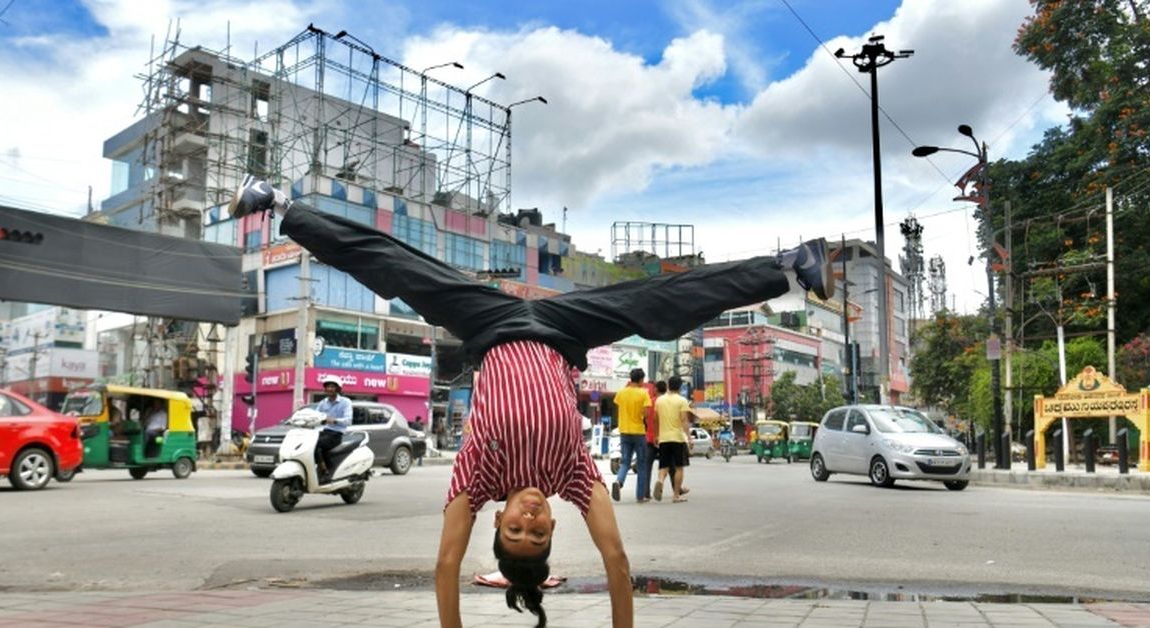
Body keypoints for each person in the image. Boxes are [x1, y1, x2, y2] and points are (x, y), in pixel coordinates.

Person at [228, 174, 834, 628]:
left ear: (495, 519)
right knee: (656, 307)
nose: (528, 519)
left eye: (514, 529)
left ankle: (279, 205)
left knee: (398, 267)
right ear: (551, 529)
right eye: (537, 533)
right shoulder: (573, 478)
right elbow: (618, 560)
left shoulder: (479, 476)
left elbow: (445, 568)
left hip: (488, 321)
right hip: (563, 328)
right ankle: (789, 267)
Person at [610, 368, 653, 503]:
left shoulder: (621, 393)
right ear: (641, 380)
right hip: (638, 432)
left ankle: (619, 481)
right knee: (641, 464)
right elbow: (646, 413)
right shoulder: (643, 393)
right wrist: (640, 415)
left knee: (625, 461)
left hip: (624, 431)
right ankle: (640, 496)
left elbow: (617, 407)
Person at [654, 376, 692, 503]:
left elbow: (656, 419)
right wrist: (689, 438)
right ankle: (676, 495)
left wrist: (656, 435)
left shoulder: (659, 400)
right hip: (678, 438)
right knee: (679, 467)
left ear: (668, 385)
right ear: (680, 387)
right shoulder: (682, 401)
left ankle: (660, 481)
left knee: (664, 466)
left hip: (663, 439)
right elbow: (684, 420)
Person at [314, 375, 353, 479]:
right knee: (307, 444)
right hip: (323, 432)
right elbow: (315, 416)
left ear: (338, 388)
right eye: (327, 387)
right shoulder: (323, 403)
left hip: (336, 434)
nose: (329, 389)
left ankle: (326, 470)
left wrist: (334, 420)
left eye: (332, 386)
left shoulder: (345, 402)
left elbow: (348, 421)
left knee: (317, 445)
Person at [642, 381, 667, 500]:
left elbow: (645, 417)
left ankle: (646, 491)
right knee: (670, 465)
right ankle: (677, 489)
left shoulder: (650, 401)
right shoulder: (667, 402)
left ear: (656, 389)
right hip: (665, 438)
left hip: (650, 437)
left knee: (647, 466)